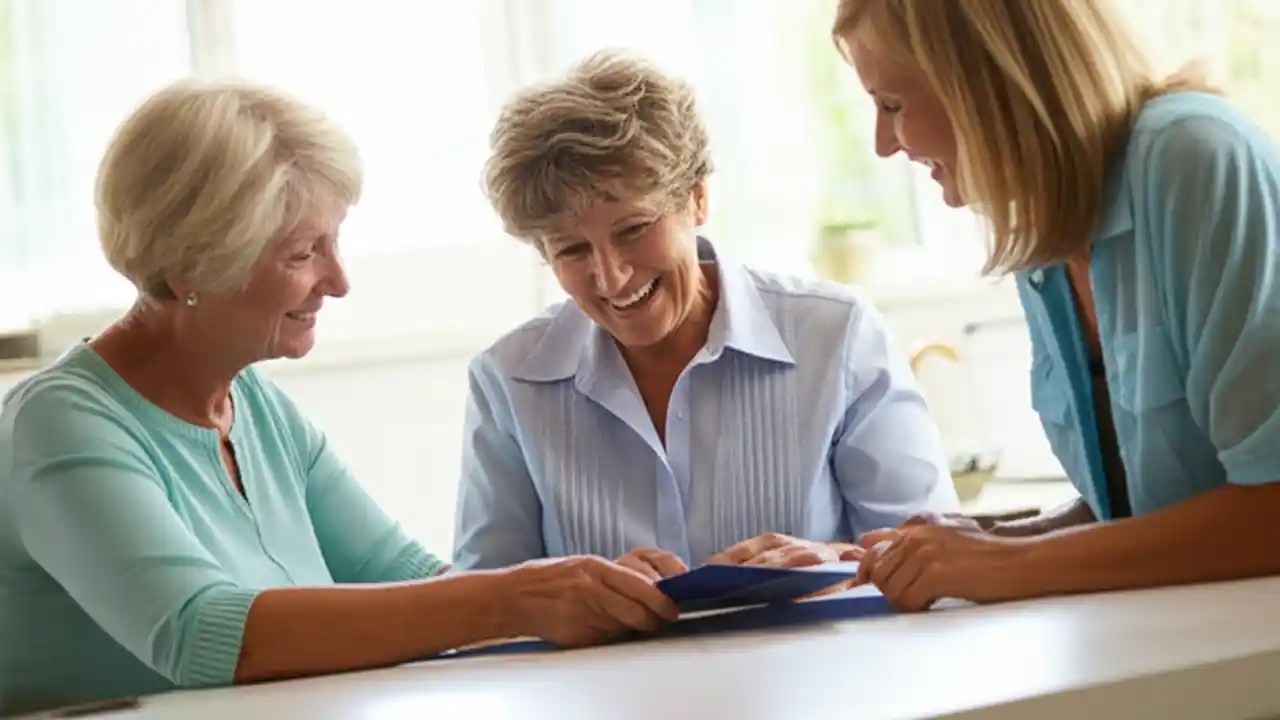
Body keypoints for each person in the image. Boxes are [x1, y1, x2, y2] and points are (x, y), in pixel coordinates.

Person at [0, 79, 678, 716]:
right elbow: (200, 633)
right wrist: (518, 597)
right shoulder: (61, 424)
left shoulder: (256, 408)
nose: (338, 280)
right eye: (303, 253)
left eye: (334, 242)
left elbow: (413, 581)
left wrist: (596, 593)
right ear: (190, 269)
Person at [833, 0, 1280, 610]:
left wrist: (1008, 562)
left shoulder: (1191, 157)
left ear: (986, 82)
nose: (885, 144)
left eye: (892, 106)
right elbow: (1143, 501)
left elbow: (1269, 505)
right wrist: (982, 543)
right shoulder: (1047, 230)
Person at [452, 49, 958, 577]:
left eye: (632, 229)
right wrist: (563, 598)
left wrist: (835, 561)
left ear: (696, 198)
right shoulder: (508, 382)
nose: (612, 276)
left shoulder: (836, 336)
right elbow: (483, 603)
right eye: (572, 251)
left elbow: (934, 560)